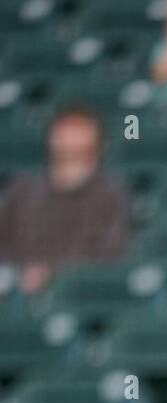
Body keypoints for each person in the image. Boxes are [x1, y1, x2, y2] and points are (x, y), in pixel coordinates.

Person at [0, 108, 129, 295]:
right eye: (65, 128)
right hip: (15, 288)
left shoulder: (110, 194)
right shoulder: (22, 190)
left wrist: (51, 271)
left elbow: (109, 251)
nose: (70, 136)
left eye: (78, 128)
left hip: (79, 291)